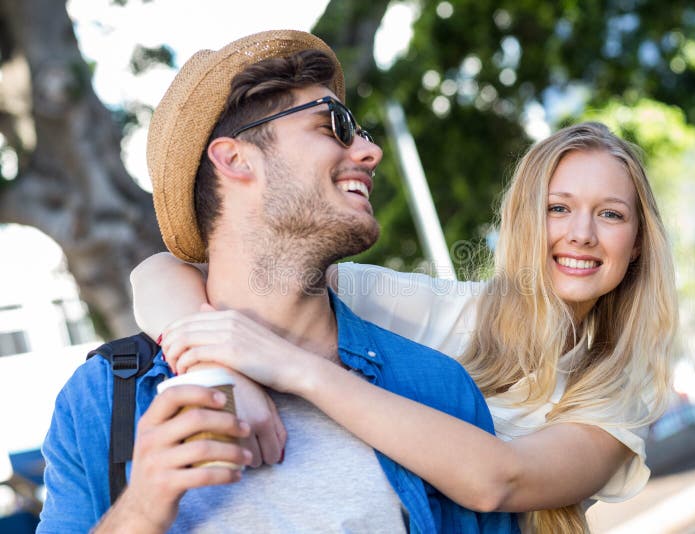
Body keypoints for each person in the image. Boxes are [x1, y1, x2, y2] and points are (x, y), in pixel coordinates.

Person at [36, 29, 517, 534]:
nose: (369, 151)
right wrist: (145, 503)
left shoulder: (435, 387)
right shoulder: (100, 400)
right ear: (236, 159)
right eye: (335, 125)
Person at [132, 121, 679, 532]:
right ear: (523, 222)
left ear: (636, 246)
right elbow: (160, 272)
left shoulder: (620, 390)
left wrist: (295, 370)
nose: (582, 233)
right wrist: (220, 371)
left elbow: (501, 479)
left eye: (610, 214)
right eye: (558, 208)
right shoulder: (444, 306)